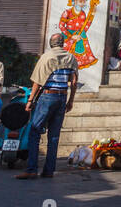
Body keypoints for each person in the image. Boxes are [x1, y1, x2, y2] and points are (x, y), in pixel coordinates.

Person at [17, 33, 78, 180]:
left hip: (47, 96)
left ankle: (32, 169)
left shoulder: (46, 57)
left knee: (35, 131)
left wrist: (30, 101)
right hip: (62, 96)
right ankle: (49, 170)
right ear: (62, 43)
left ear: (51, 43)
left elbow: (37, 82)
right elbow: (74, 82)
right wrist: (70, 101)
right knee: (54, 136)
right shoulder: (71, 57)